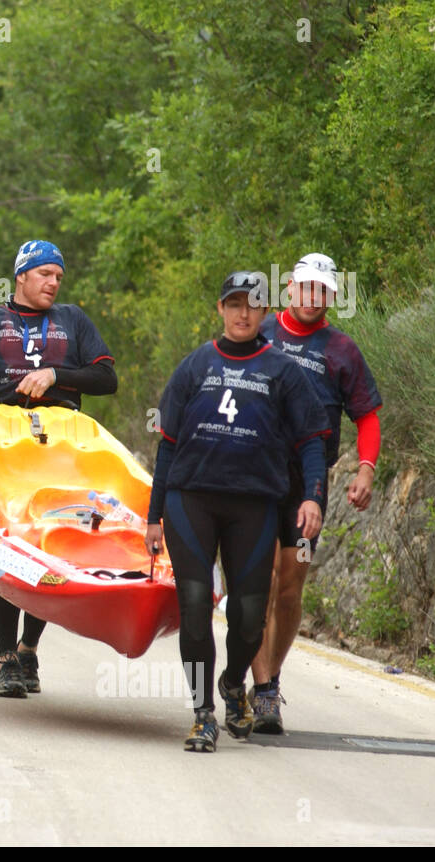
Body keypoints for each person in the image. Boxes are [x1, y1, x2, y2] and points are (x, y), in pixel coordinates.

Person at [144, 271, 328, 752]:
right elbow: (166, 445)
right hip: (191, 498)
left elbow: (312, 440)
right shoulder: (195, 366)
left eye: (253, 305)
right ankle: (203, 714)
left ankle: (232, 684)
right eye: (234, 304)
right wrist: (153, 516)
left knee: (249, 617)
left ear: (265, 313)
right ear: (221, 309)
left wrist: (312, 496)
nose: (243, 313)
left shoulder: (282, 370)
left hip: (255, 503)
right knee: (196, 603)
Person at [0, 240, 118, 698]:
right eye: (45, 274)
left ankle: (30, 646)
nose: (53, 283)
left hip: (61, 453)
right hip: (5, 453)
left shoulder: (72, 321)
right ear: (21, 276)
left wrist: (54, 375)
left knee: (50, 544)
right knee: (8, 546)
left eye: (59, 277)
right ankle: (7, 659)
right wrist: (5, 408)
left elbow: (107, 379)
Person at [249, 253, 382, 732]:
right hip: (254, 477)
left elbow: (366, 415)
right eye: (305, 287)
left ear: (331, 296)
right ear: (289, 289)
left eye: (321, 290)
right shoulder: (260, 332)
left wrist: (365, 469)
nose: (312, 297)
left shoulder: (342, 350)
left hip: (309, 484)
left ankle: (272, 673)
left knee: (289, 585)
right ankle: (263, 691)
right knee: (258, 584)